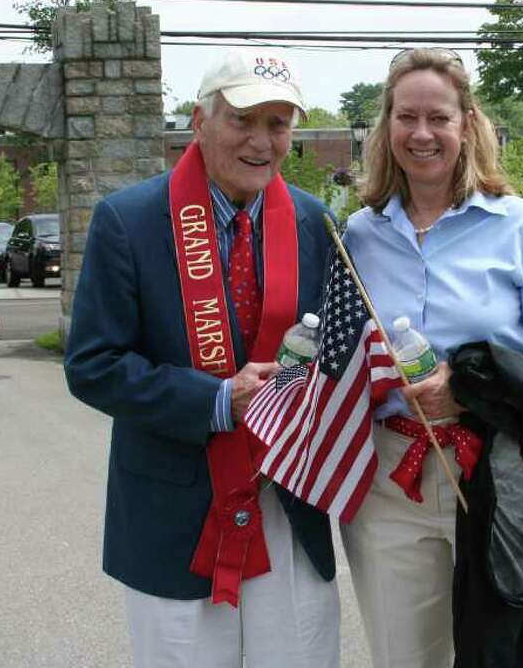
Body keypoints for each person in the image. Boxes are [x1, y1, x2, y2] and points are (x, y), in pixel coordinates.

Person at [64, 50, 341, 668]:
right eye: (243, 120)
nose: (261, 141)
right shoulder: (128, 220)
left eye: (278, 124)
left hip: (285, 500)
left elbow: (339, 351)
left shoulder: (314, 221)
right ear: (200, 122)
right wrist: (217, 400)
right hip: (177, 514)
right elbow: (92, 364)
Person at [339, 48, 523, 668]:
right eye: (406, 117)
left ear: (467, 124)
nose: (421, 134)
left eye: (439, 118)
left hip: (496, 470)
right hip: (388, 478)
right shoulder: (358, 235)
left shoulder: (520, 228)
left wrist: (472, 391)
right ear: (386, 127)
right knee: (405, 657)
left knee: (503, 655)